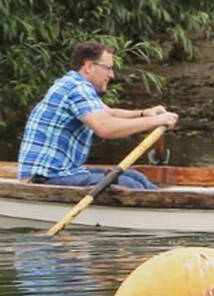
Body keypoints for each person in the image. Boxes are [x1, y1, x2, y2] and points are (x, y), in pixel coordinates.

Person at [17, 42, 178, 189]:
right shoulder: (77, 88)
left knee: (135, 176)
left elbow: (109, 113)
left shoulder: (74, 84)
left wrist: (144, 114)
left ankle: (169, 212)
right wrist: (155, 121)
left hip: (64, 172)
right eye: (107, 68)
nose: (112, 75)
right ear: (88, 66)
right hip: (44, 178)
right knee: (128, 184)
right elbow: (105, 128)